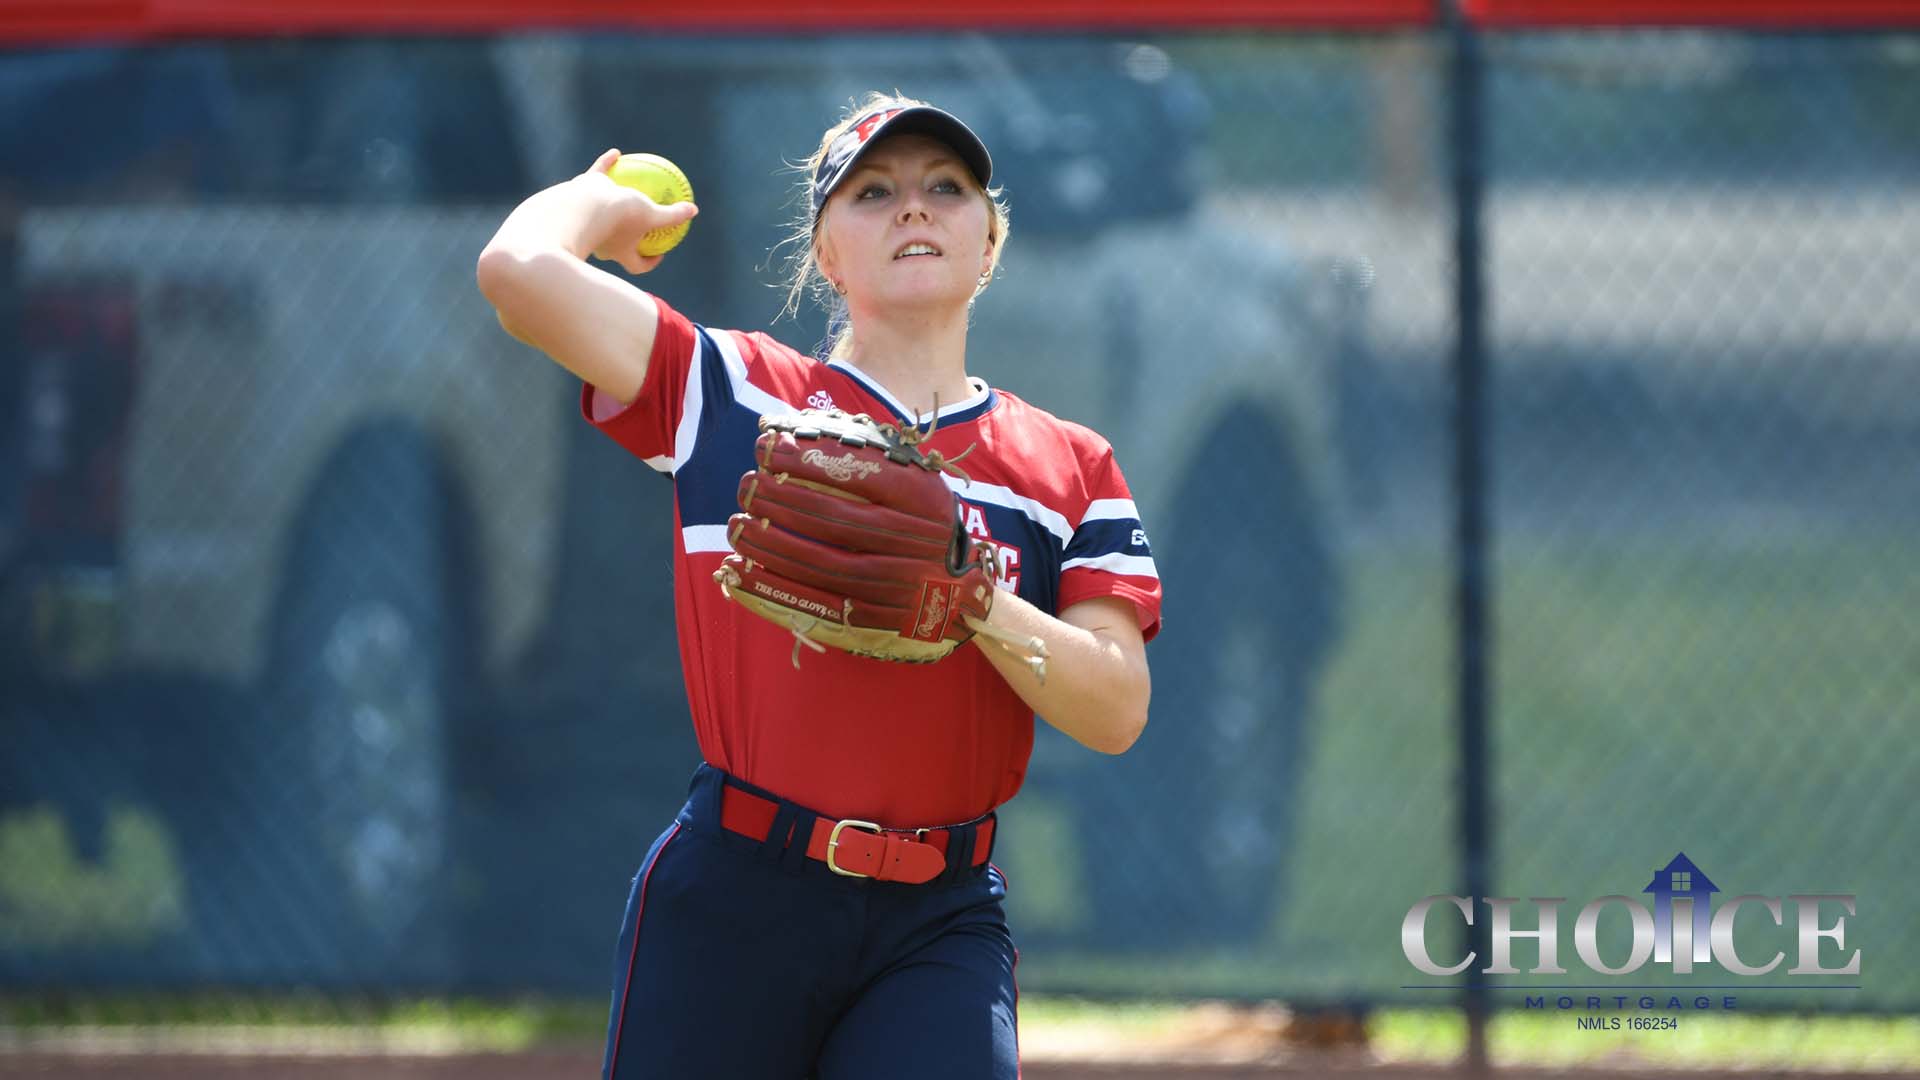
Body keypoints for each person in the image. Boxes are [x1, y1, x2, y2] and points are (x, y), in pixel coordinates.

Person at [476, 92, 1160, 1080]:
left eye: (945, 188)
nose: (913, 209)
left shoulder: (1067, 468)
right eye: (873, 193)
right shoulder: (738, 396)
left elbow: (1117, 707)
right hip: (735, 899)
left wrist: (975, 599)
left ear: (989, 240)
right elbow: (517, 274)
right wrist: (594, 201)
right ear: (827, 255)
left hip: (941, 921)